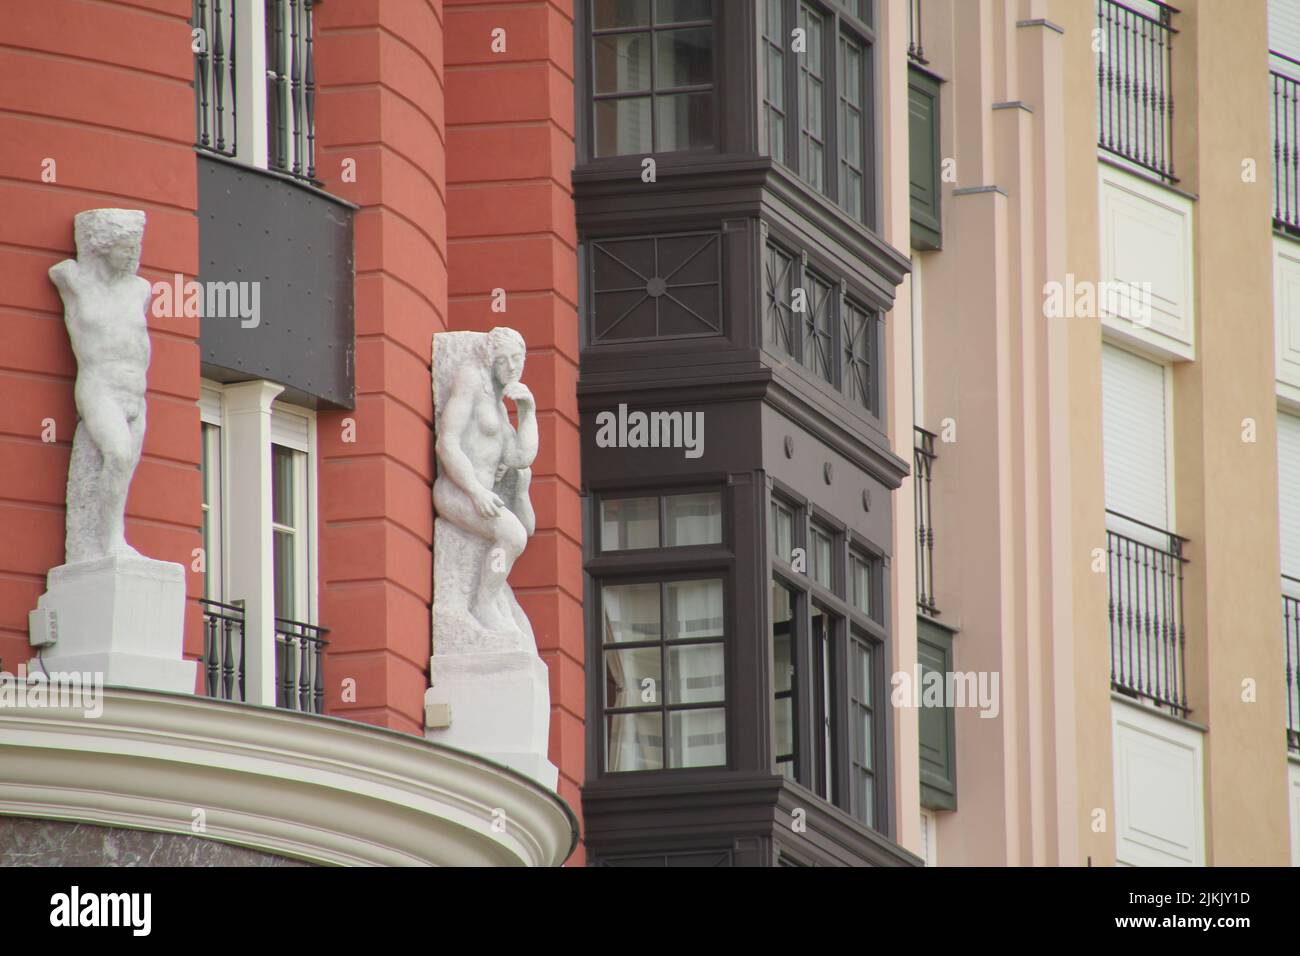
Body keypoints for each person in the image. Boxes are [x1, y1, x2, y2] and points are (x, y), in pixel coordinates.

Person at [48, 209, 151, 564]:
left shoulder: (140, 289)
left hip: (136, 393)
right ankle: (112, 541)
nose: (132, 256)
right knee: (119, 456)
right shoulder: (72, 278)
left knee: (124, 471)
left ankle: (107, 538)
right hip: (99, 387)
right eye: (125, 248)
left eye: (135, 248)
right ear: (104, 246)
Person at [433, 327, 537, 632]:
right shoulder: (470, 380)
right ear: (491, 360)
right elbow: (447, 443)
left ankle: (490, 599)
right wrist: (475, 490)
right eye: (504, 360)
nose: (512, 367)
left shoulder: (501, 404)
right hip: (457, 491)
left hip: (482, 495)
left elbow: (521, 457)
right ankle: (483, 603)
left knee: (517, 532)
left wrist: (527, 410)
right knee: (513, 535)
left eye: (518, 359)